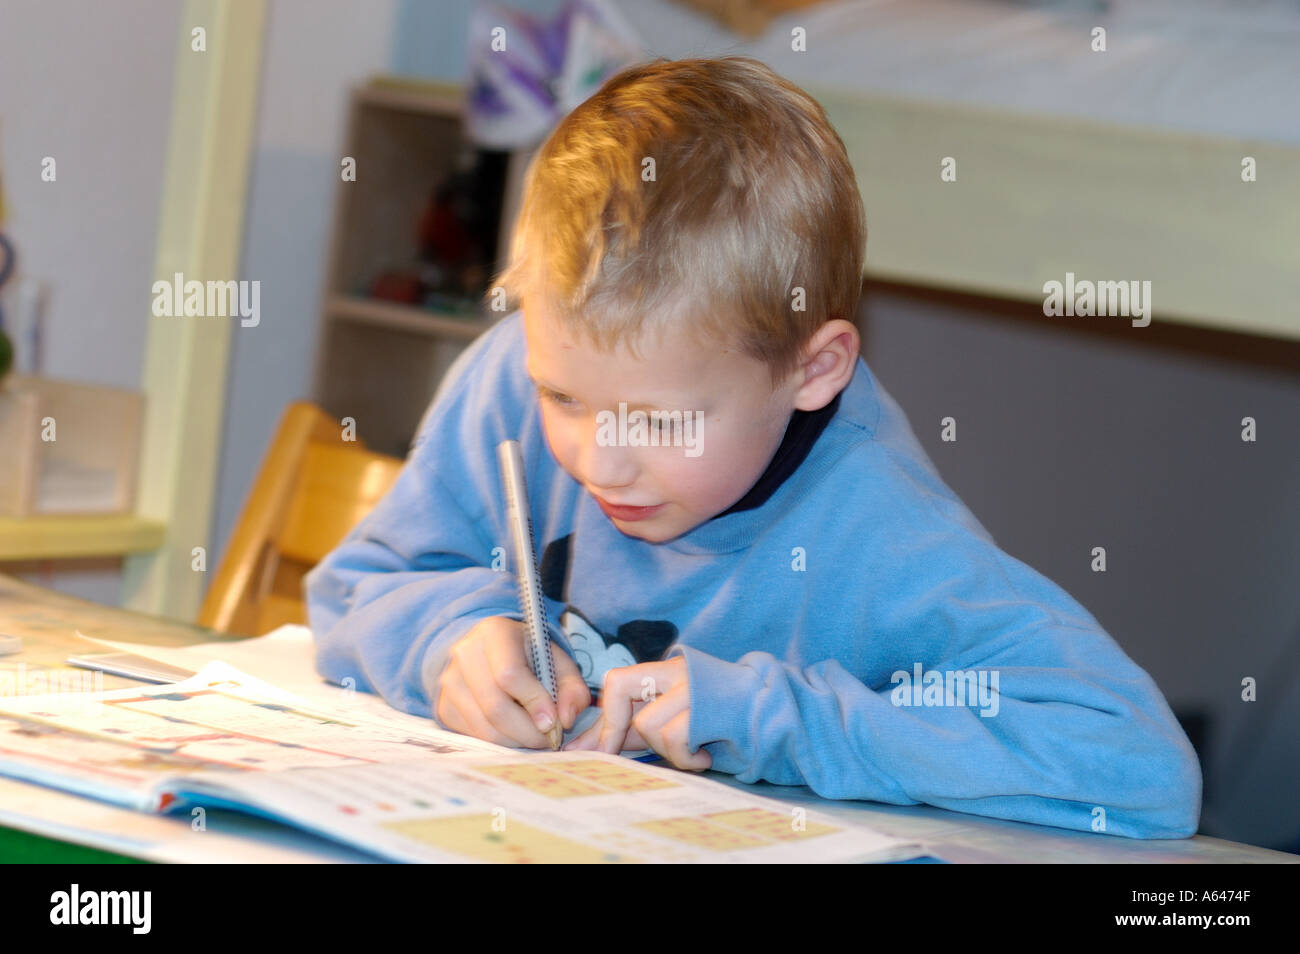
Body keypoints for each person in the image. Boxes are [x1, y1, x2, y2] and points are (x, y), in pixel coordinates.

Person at [305, 56, 1201, 838]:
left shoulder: (881, 532)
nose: (598, 460)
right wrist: (450, 639)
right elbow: (359, 582)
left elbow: (1136, 766)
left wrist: (775, 718)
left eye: (659, 421)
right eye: (564, 399)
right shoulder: (520, 368)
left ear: (814, 371)